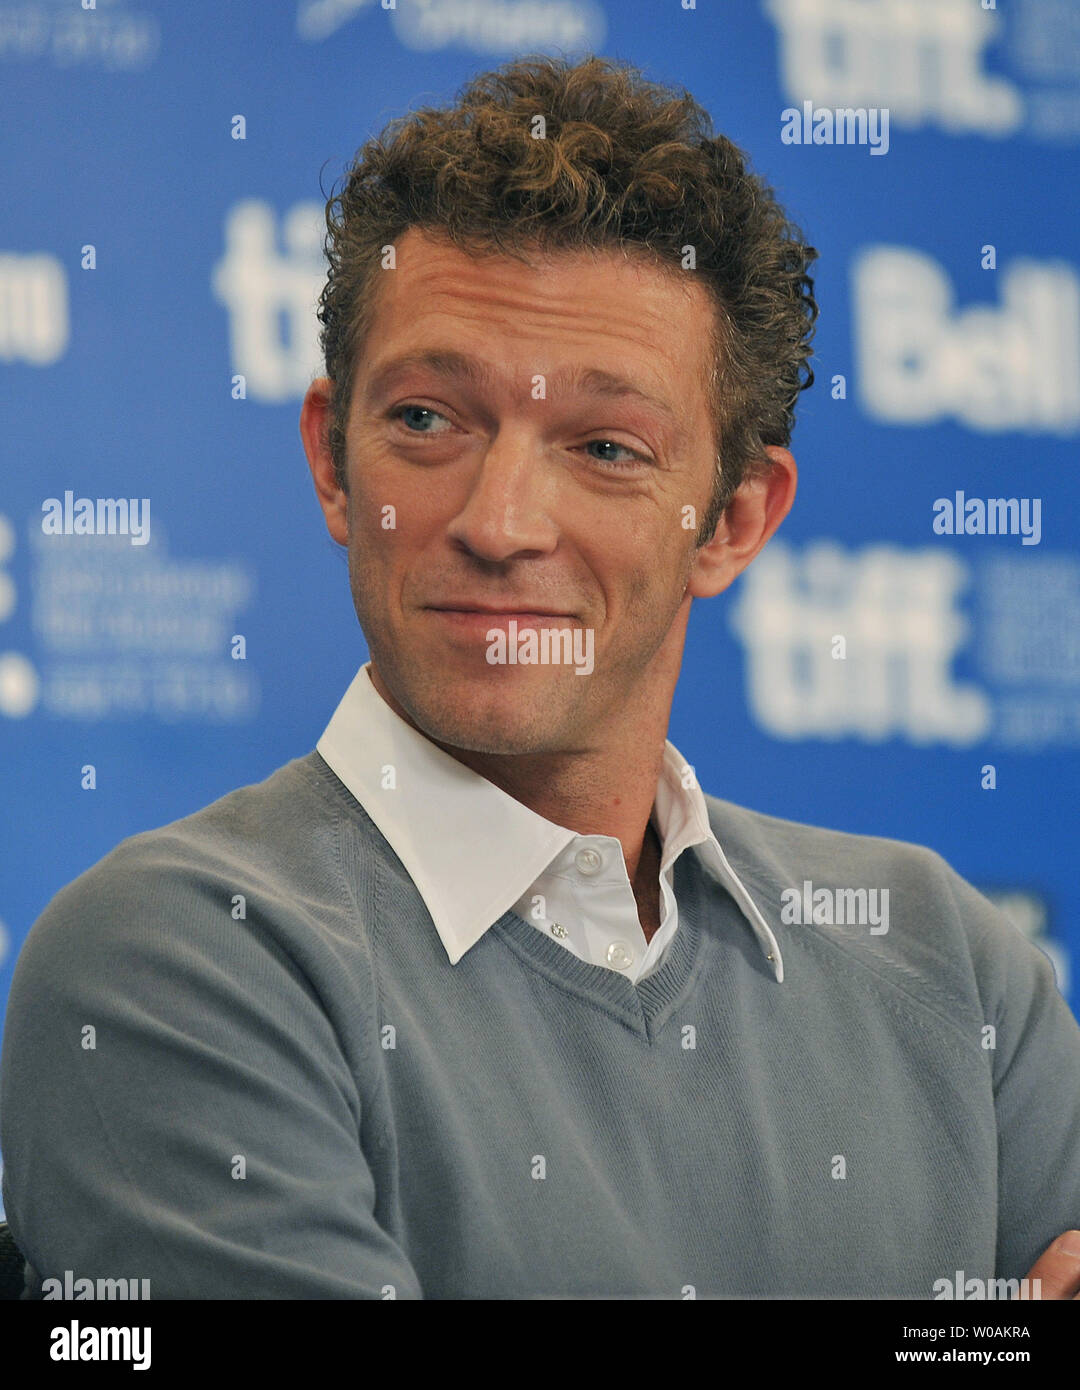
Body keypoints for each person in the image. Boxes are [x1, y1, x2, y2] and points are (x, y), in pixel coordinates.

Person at [2, 54, 1079, 1301]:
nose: (501, 520)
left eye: (608, 445)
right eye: (425, 420)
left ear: (733, 520)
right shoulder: (175, 963)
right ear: (332, 462)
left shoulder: (941, 949)